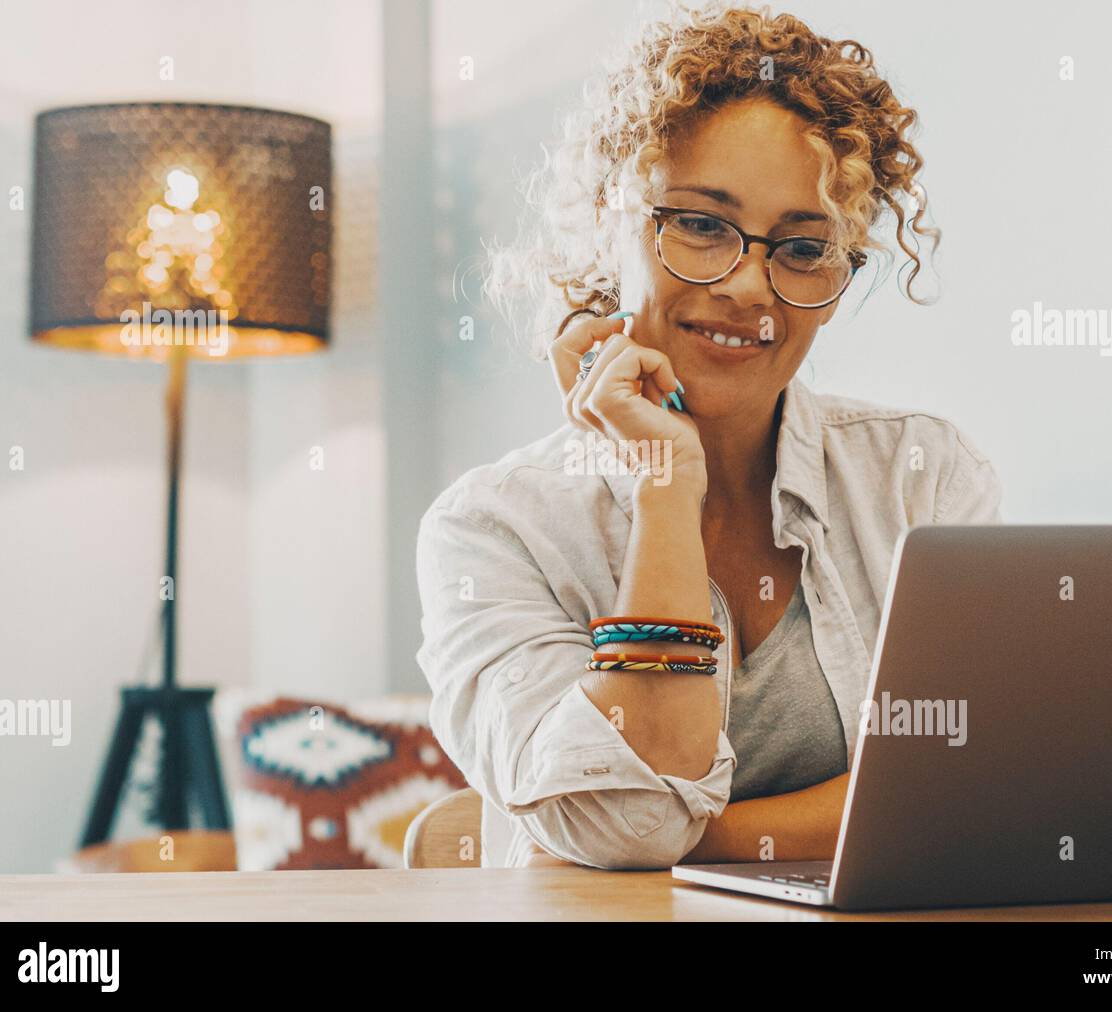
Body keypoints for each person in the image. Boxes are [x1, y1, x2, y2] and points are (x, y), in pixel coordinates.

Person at [416, 2, 1002, 870]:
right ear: (612, 223)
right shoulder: (493, 530)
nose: (747, 286)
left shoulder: (921, 476)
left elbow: (967, 781)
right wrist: (663, 485)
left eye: (804, 248)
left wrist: (694, 839)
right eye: (698, 224)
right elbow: (622, 823)